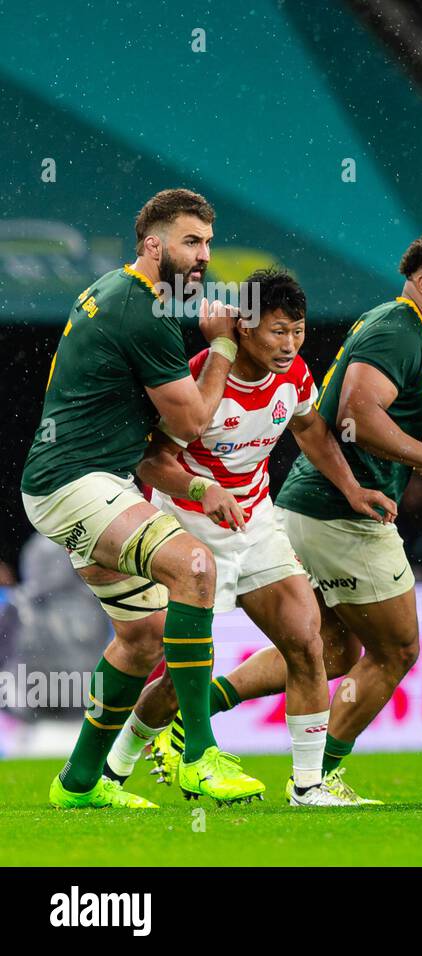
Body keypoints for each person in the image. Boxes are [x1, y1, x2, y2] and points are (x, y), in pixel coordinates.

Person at [150, 230, 422, 805]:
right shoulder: (399, 332)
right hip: (339, 516)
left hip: (309, 504)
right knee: (398, 651)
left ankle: (194, 713)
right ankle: (318, 778)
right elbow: (356, 418)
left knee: (330, 650)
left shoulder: (399, 330)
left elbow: (356, 419)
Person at [101, 270, 396, 806]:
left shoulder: (296, 374)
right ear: (242, 327)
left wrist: (352, 489)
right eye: (276, 331)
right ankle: (114, 771)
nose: (288, 346)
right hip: (187, 525)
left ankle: (307, 786)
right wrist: (202, 487)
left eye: (298, 331)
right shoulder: (195, 380)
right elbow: (150, 459)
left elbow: (310, 430)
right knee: (184, 676)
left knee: (307, 643)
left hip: (255, 520)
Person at [22, 188, 263, 808]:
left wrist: (198, 485)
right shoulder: (144, 311)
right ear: (153, 245)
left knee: (145, 635)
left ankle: (78, 784)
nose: (205, 254)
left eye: (208, 241)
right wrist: (224, 345)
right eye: (191, 241)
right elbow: (189, 423)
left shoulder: (121, 291)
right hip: (76, 480)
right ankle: (198, 757)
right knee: (195, 566)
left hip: (70, 480)